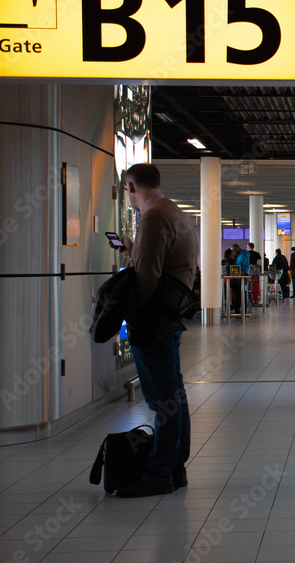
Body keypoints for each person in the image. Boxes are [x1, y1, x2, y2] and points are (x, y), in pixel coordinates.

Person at [114, 163, 198, 497]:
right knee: (174, 397)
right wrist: (134, 248)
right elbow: (162, 264)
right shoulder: (172, 211)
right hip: (170, 317)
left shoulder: (153, 217)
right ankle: (174, 467)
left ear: (131, 186)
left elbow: (146, 279)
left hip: (154, 321)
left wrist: (127, 315)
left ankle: (160, 472)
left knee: (163, 400)